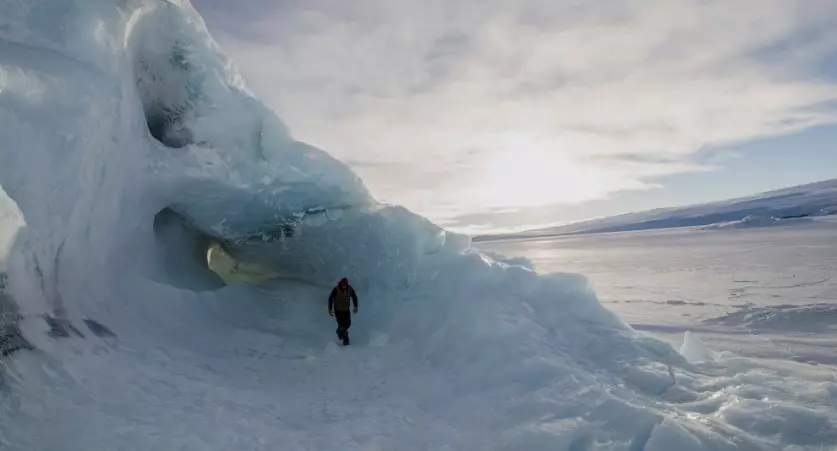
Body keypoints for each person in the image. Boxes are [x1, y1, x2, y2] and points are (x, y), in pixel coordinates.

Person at [328, 277, 358, 346]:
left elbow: (354, 297)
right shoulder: (336, 289)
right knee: (342, 325)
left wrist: (355, 306)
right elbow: (330, 298)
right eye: (343, 285)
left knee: (348, 324)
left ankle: (339, 332)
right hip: (338, 310)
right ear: (341, 284)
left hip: (346, 310)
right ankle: (346, 341)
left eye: (345, 285)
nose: (344, 286)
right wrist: (330, 309)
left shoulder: (350, 289)